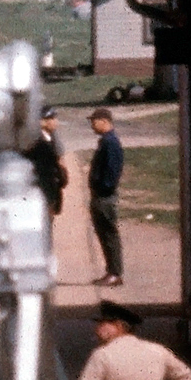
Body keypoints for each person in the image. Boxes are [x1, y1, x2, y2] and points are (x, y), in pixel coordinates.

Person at [87, 108, 126, 287]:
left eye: (94, 121)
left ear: (104, 121)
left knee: (109, 235)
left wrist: (103, 187)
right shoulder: (105, 142)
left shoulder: (111, 143)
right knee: (104, 235)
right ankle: (111, 271)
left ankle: (115, 273)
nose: (92, 125)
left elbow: (112, 172)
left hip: (105, 197)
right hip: (100, 195)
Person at [24, 106, 69, 216]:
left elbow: (60, 158)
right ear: (42, 122)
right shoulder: (35, 142)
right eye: (51, 118)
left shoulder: (52, 137)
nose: (55, 121)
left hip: (51, 191)